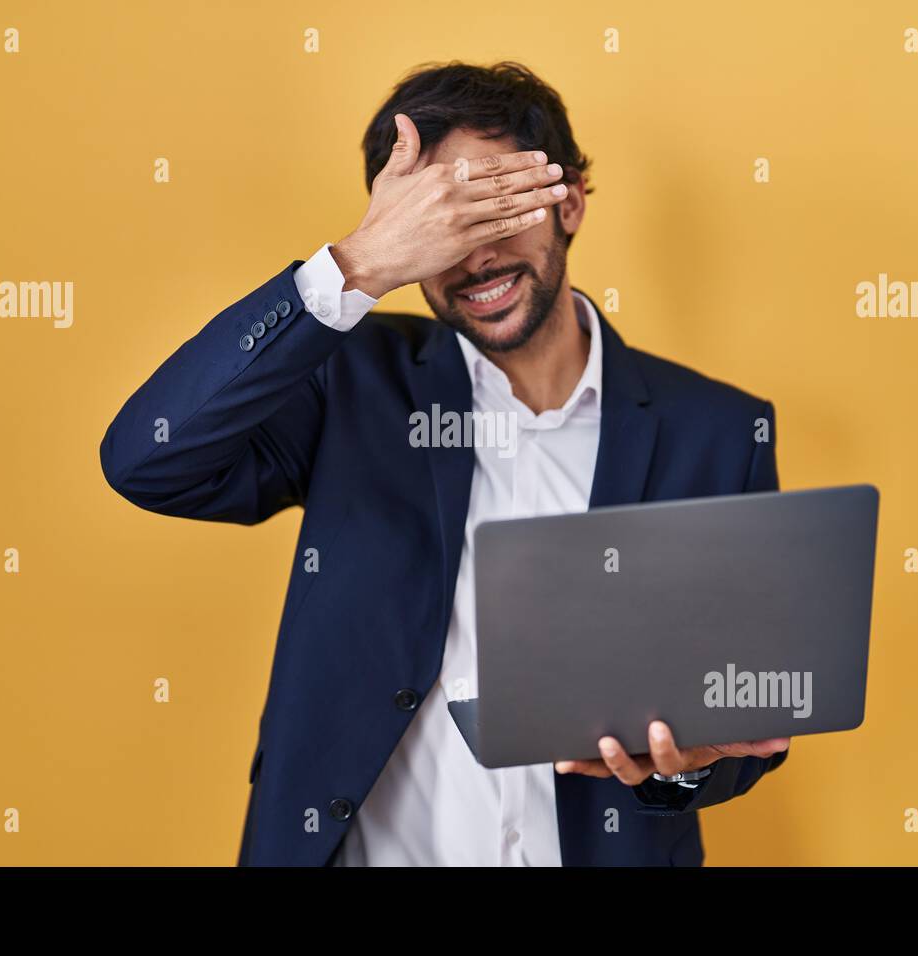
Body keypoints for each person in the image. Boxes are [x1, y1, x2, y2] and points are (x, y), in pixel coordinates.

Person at [100, 61, 789, 866]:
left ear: (567, 202)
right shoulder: (349, 383)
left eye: (496, 206)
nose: (477, 257)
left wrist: (680, 772)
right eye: (442, 224)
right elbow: (147, 457)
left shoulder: (718, 430)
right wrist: (355, 265)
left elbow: (738, 718)